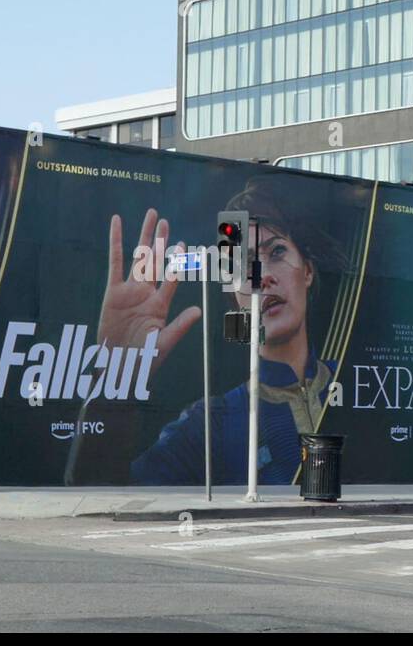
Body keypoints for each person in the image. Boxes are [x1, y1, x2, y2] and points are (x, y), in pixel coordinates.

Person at [124, 177, 348, 485]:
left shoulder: (356, 385)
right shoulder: (209, 422)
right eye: (244, 267)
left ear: (307, 271)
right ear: (235, 297)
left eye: (278, 252)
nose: (263, 277)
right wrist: (116, 377)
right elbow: (107, 489)